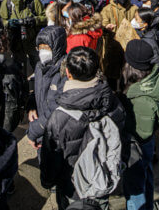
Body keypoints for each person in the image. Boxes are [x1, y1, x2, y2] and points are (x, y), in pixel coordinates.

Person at [40, 47, 126, 209]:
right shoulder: (114, 102)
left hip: (72, 188)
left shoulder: (59, 116)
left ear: (68, 73)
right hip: (102, 182)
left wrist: (47, 181)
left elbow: (51, 157)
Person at [120, 40, 159, 210]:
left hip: (138, 146)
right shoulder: (155, 75)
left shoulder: (141, 99)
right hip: (148, 143)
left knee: (135, 190)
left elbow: (142, 131)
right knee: (147, 177)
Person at [27, 25, 68, 147]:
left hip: (57, 133)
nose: (43, 52)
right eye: (40, 48)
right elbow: (38, 90)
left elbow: (57, 108)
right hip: (42, 129)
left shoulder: (65, 71)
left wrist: (34, 130)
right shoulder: (40, 66)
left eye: (47, 47)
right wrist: (32, 104)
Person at [0, 0, 47, 74]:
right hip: (16, 41)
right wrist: (10, 23)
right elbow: (1, 21)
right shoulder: (6, 3)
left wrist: (34, 20)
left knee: (39, 67)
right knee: (19, 69)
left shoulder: (34, 1)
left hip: (33, 41)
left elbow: (45, 18)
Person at [100, 0, 138, 86]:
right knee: (112, 69)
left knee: (127, 70)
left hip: (128, 43)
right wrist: (106, 27)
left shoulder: (134, 8)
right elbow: (103, 23)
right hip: (113, 43)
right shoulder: (107, 9)